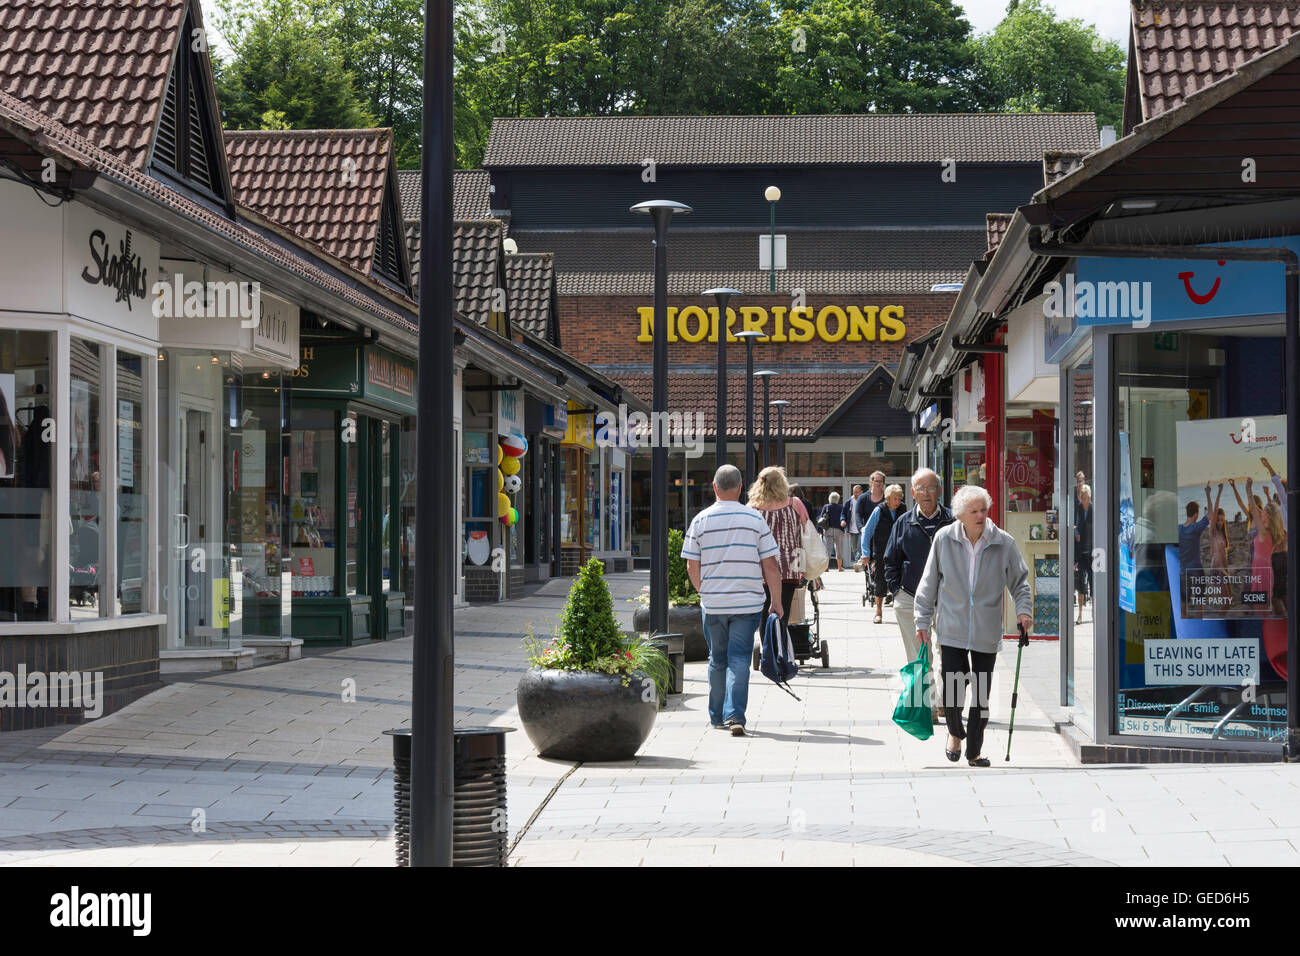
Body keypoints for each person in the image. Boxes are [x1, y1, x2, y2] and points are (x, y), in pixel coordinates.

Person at [913, 484, 1032, 768]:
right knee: (953, 687)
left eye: (983, 510)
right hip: (952, 626)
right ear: (961, 515)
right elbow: (929, 583)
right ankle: (954, 732)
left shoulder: (1003, 542)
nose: (980, 516)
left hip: (986, 629)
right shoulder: (944, 538)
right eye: (973, 511)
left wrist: (1024, 611)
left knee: (981, 692)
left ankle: (974, 751)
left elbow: (1020, 582)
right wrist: (922, 619)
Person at [683, 464, 783, 737]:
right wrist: (777, 601)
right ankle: (735, 715)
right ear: (740, 488)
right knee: (739, 657)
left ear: (714, 487)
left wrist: (705, 592)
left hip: (714, 604)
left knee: (717, 658)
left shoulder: (700, 521)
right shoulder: (755, 520)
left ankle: (716, 715)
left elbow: (692, 566)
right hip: (748, 604)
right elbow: (771, 566)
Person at [883, 468, 953, 717]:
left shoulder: (953, 522)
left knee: (949, 653)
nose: (926, 493)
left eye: (931, 488)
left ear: (940, 491)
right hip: (911, 597)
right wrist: (896, 589)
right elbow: (890, 560)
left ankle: (947, 703)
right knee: (919, 655)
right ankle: (929, 707)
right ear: (912, 493)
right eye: (921, 489)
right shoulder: (903, 523)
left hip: (947, 599)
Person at [748, 466, 808, 637]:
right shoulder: (795, 504)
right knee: (784, 612)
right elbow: (808, 531)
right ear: (782, 483)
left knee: (764, 613)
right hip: (790, 566)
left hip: (761, 568)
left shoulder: (752, 508)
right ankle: (779, 654)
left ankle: (768, 653)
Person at [862, 483, 905, 623]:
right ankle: (878, 611)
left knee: (901, 581)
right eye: (895, 499)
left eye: (900, 498)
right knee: (880, 581)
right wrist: (866, 553)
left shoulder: (903, 509)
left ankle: (903, 611)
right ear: (887, 498)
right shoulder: (879, 510)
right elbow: (867, 532)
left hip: (899, 551)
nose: (898, 502)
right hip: (881, 551)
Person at [854, 472, 886, 565]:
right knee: (868, 563)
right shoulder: (863, 498)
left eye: (880, 481)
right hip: (868, 535)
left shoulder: (886, 498)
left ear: (883, 483)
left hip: (883, 536)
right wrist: (861, 527)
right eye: (876, 481)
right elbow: (858, 515)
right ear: (871, 482)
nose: (878, 483)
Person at [1074, 484, 1093, 625]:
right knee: (1081, 583)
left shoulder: (1093, 509)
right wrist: (1076, 532)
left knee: (1093, 583)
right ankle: (1080, 614)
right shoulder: (1078, 509)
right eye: (1083, 498)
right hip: (1081, 551)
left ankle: (1094, 614)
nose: (1085, 501)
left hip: (1093, 552)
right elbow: (1074, 524)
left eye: (1087, 498)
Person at [818, 491, 848, 572]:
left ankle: (826, 567)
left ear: (829, 499)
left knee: (828, 549)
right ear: (838, 499)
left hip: (828, 530)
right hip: (839, 530)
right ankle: (839, 568)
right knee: (839, 549)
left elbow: (821, 519)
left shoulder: (826, 506)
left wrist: (820, 530)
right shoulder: (841, 507)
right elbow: (844, 517)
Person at [844, 482, 865, 566]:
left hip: (862, 528)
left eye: (857, 492)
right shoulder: (849, 501)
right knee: (854, 548)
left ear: (861, 492)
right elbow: (843, 513)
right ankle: (859, 561)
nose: (855, 494)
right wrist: (843, 520)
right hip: (852, 529)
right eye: (853, 492)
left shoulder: (864, 501)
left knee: (860, 548)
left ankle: (858, 563)